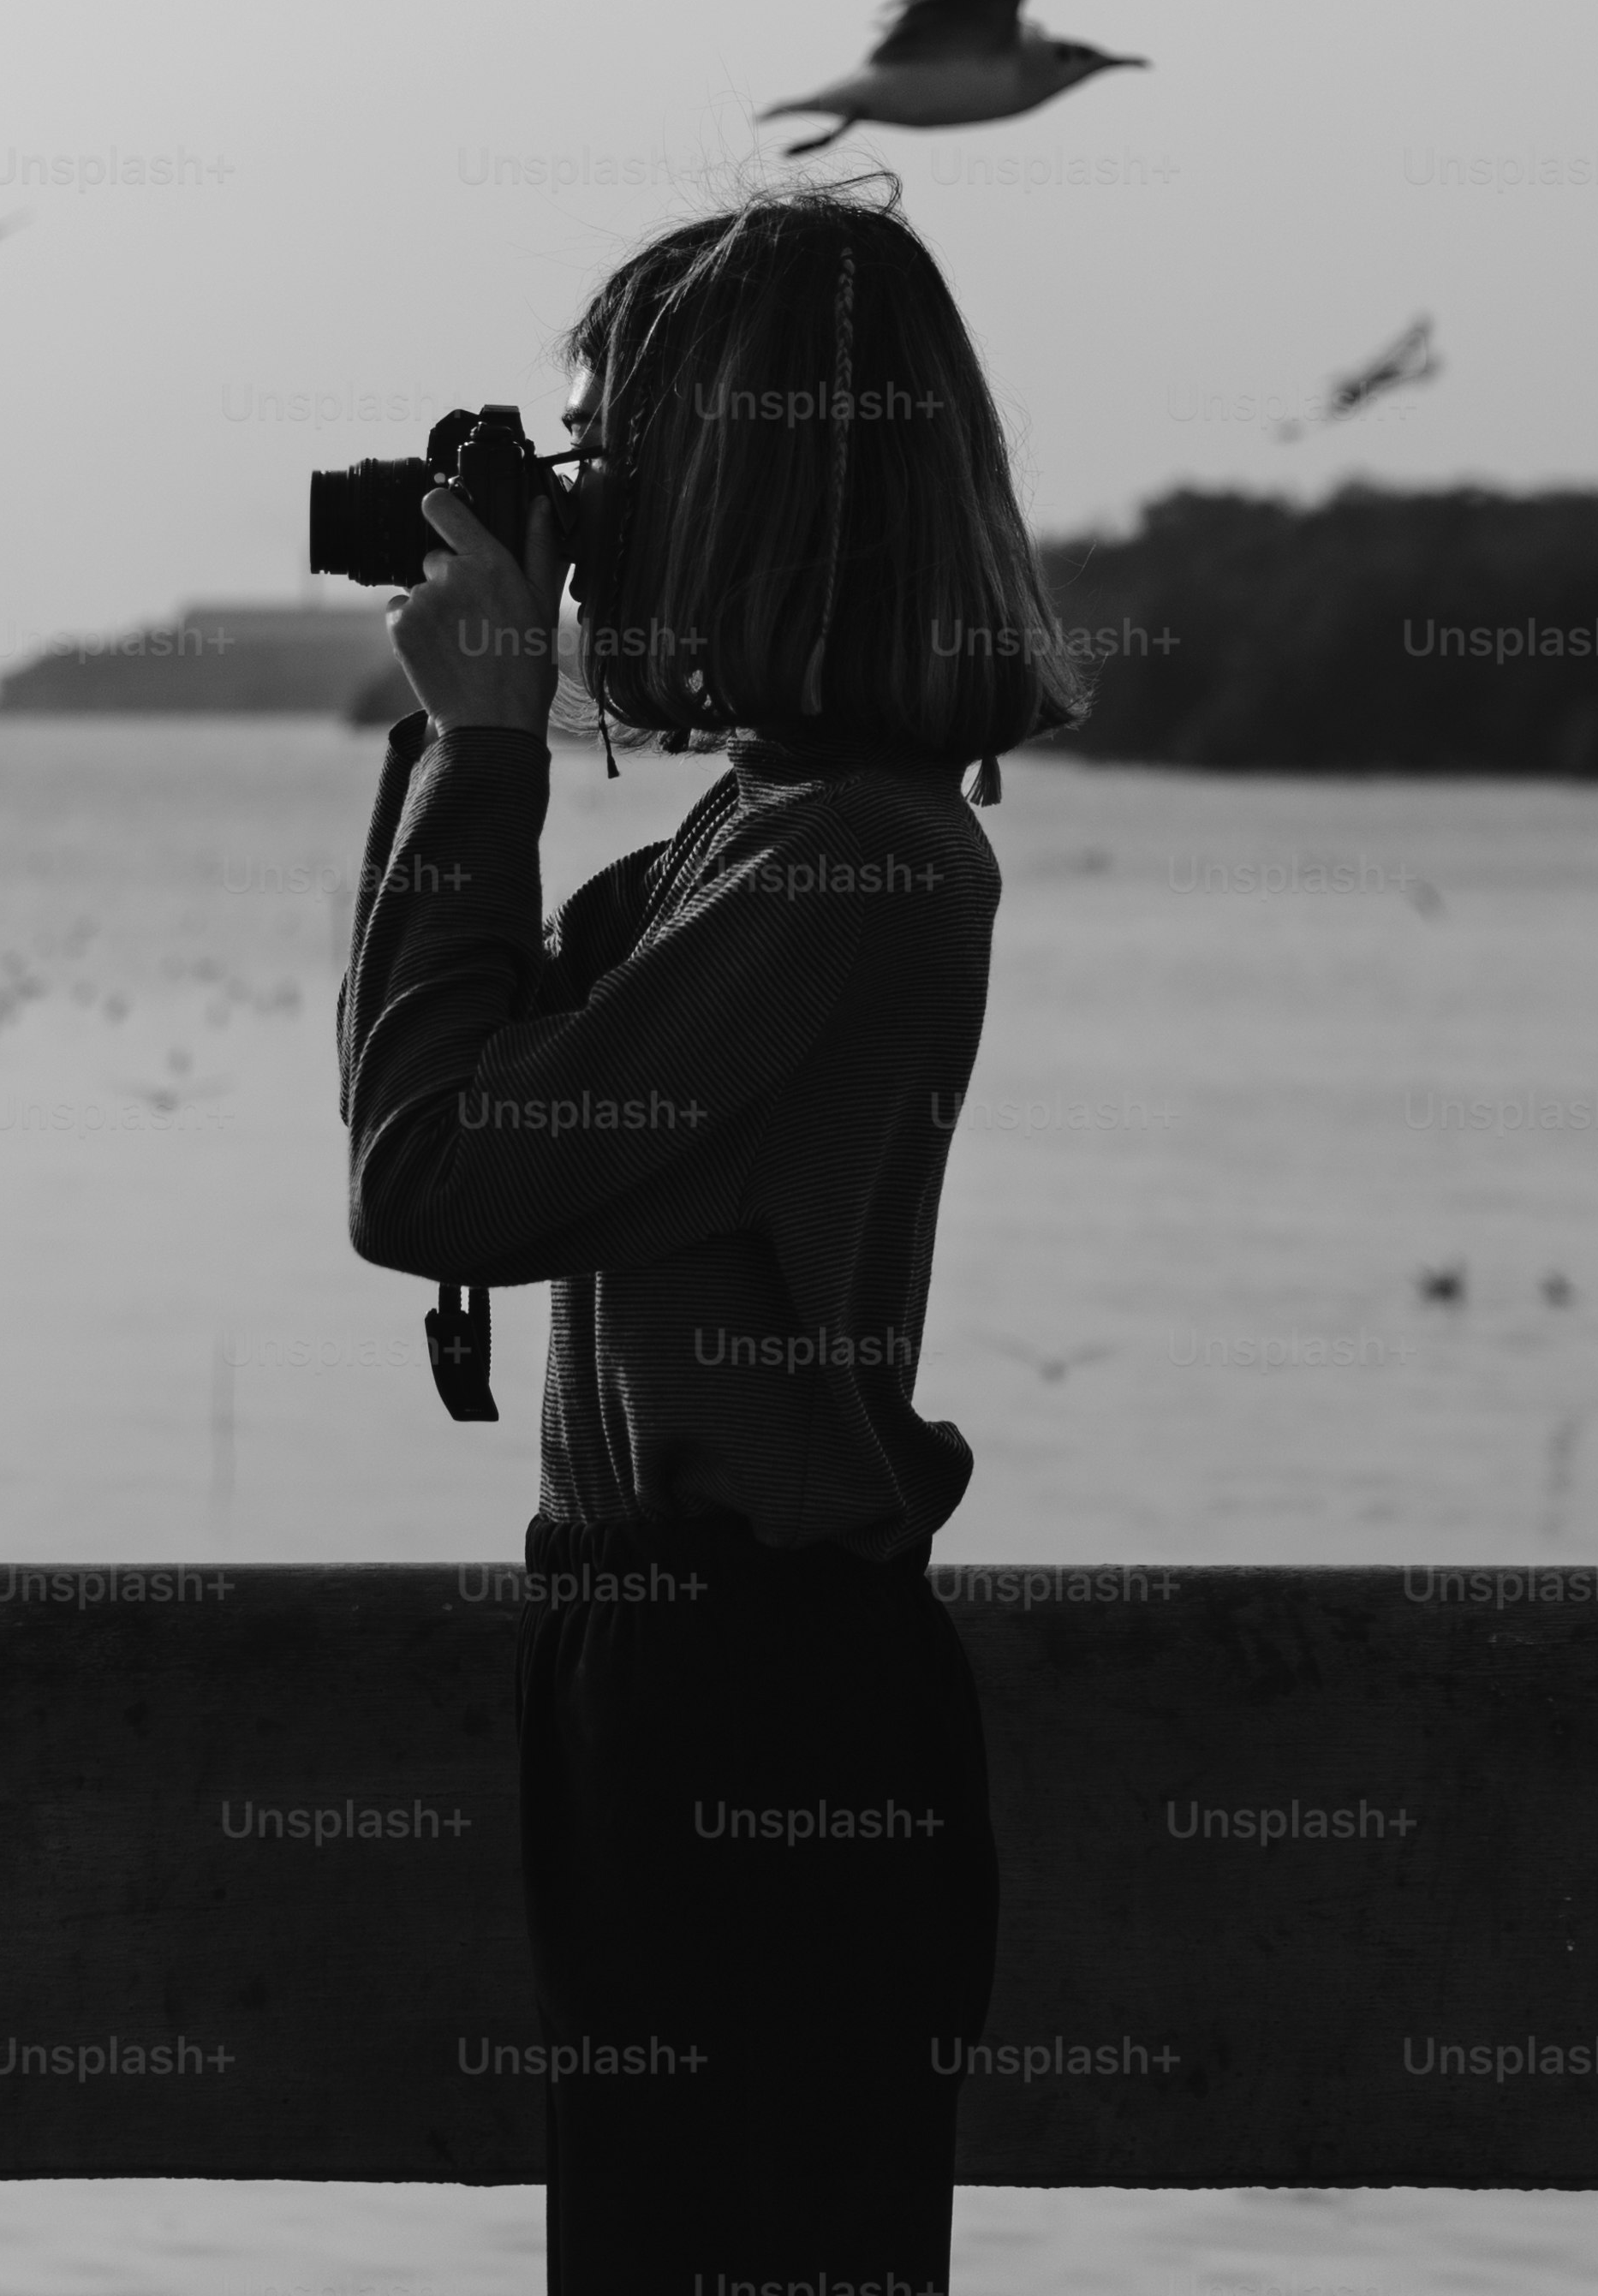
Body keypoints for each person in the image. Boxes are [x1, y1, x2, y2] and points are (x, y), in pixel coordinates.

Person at [338, 181, 1088, 2295]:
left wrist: (487, 741)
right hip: (665, 1686)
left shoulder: (849, 865)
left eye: (616, 465)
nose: (591, 524)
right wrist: (444, 741)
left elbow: (428, 1173)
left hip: (755, 1718)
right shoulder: (752, 834)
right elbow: (439, 1083)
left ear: (742, 487)